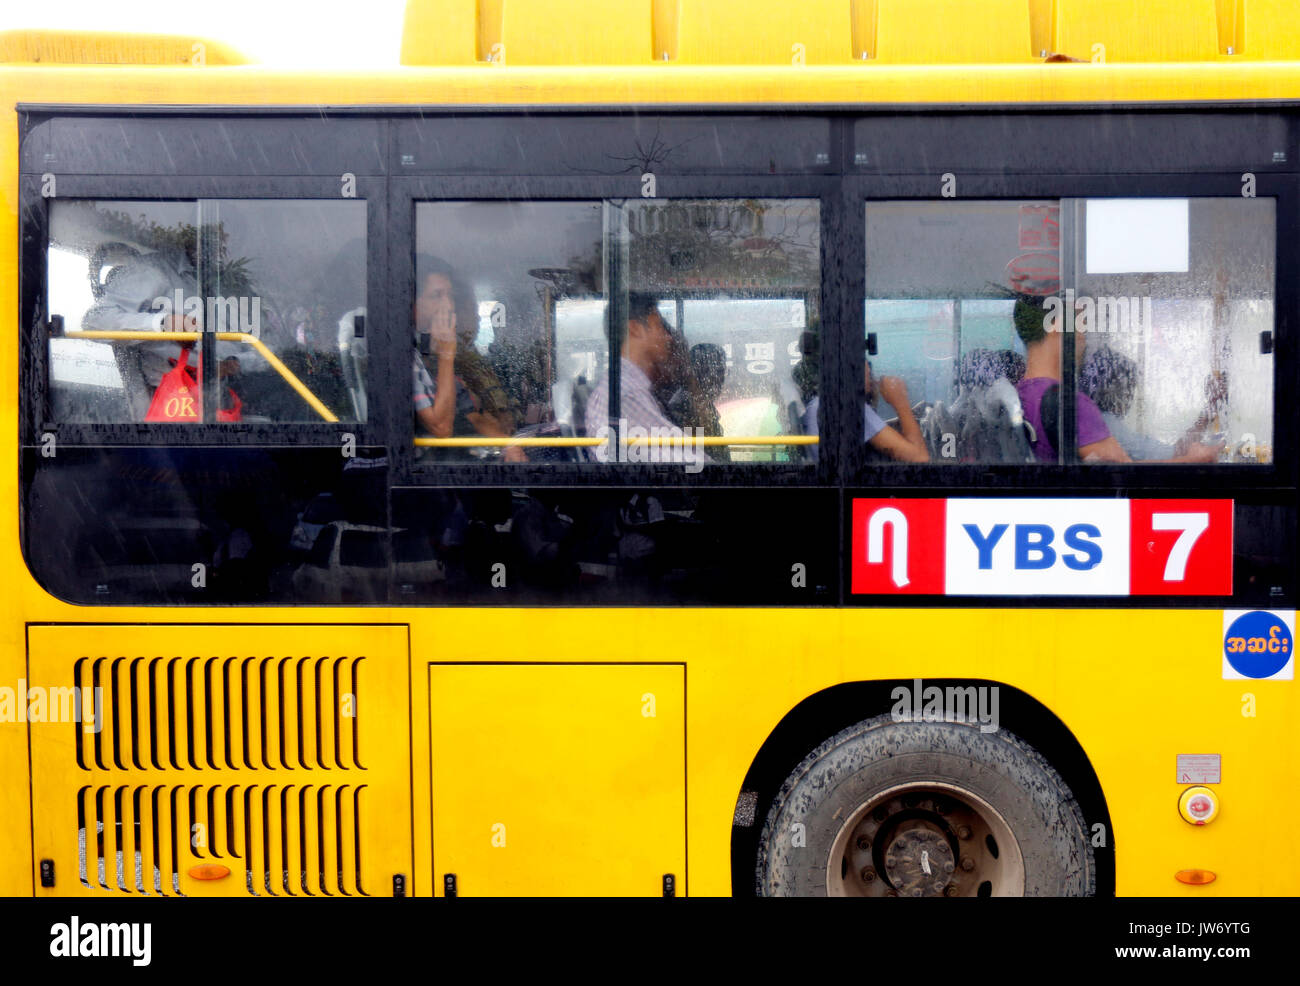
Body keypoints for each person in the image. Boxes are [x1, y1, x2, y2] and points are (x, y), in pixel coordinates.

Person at [1012, 296, 1221, 464]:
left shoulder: (1019, 396)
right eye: (1081, 321)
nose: (1084, 333)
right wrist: (1194, 460)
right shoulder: (1071, 405)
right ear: (1057, 324)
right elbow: (1124, 475)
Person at [412, 257, 527, 462]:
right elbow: (441, 427)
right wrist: (447, 353)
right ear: (413, 305)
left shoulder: (432, 357)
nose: (447, 306)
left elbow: (471, 414)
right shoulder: (404, 357)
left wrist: (508, 444)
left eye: (450, 297)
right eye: (437, 296)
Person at [585, 293, 706, 467]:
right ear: (635, 329)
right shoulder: (625, 394)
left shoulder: (628, 388)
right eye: (658, 325)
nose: (668, 336)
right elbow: (689, 464)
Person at [801, 357, 930, 463]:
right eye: (863, 359)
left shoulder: (818, 403)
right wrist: (901, 401)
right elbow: (920, 458)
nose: (868, 367)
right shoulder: (850, 406)